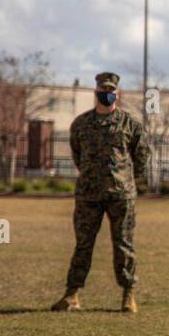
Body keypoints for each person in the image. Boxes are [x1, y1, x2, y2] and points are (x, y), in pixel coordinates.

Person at [50, 72, 149, 313]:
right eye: (103, 89)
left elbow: (142, 157)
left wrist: (126, 180)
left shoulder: (130, 124)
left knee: (124, 244)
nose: (107, 93)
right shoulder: (81, 124)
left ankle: (128, 295)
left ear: (117, 93)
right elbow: (77, 155)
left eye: (111, 89)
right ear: (96, 92)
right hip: (88, 195)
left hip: (121, 195)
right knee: (83, 244)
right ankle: (72, 294)